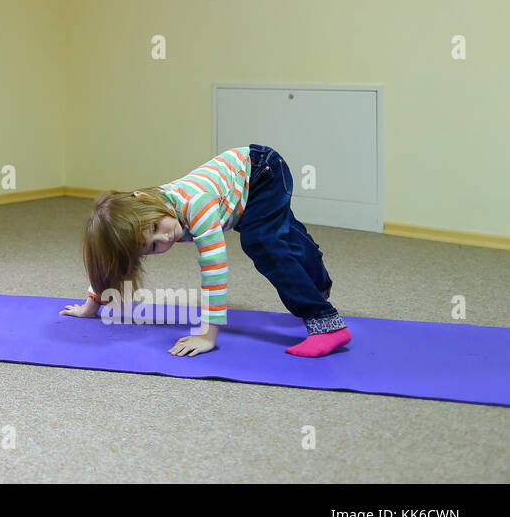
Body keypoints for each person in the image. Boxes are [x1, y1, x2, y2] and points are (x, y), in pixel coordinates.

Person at [61, 144, 351, 358]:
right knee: (282, 236)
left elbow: (214, 273)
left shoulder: (195, 207)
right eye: (152, 247)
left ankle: (326, 323)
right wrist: (91, 306)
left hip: (263, 171)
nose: (165, 238)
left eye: (155, 227)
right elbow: (112, 263)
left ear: (144, 198)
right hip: (239, 194)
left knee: (262, 242)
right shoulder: (146, 218)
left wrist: (207, 335)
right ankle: (318, 279)